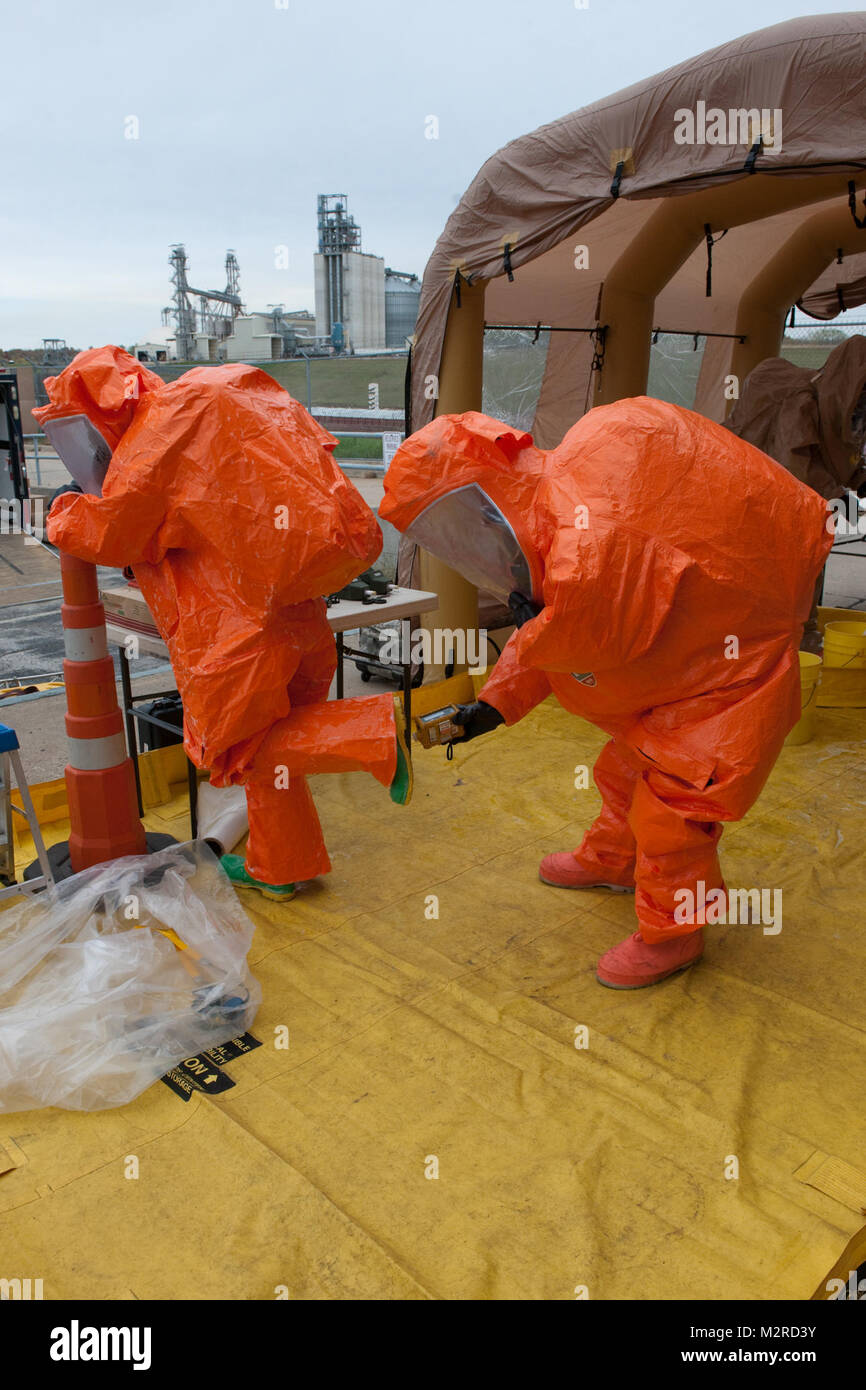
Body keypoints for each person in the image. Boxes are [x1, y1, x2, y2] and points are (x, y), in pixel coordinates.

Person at [380, 400, 832, 988]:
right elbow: (553, 635)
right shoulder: (560, 515)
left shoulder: (589, 535)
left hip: (723, 682)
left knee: (672, 814)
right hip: (675, 667)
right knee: (623, 771)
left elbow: (574, 634)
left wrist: (526, 641)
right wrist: (494, 703)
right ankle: (616, 859)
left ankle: (677, 933)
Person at [36, 346, 411, 902]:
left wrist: (63, 514)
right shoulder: (209, 403)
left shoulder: (153, 438)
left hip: (233, 630)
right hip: (296, 610)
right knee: (273, 754)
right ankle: (281, 866)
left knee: (238, 750)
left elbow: (113, 533)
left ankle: (369, 734)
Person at [726, 335, 866, 652]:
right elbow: (793, 467)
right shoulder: (800, 401)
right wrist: (839, 498)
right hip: (760, 499)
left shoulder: (841, 403)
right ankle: (771, 648)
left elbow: (838, 450)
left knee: (804, 571)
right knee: (767, 577)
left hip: (801, 511)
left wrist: (857, 481)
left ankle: (798, 642)